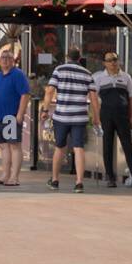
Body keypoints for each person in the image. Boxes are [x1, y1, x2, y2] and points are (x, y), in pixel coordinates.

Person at [40, 47, 99, 192]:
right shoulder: (87, 73)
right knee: (78, 148)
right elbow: (94, 98)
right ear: (80, 58)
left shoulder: (59, 70)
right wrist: (96, 117)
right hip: (80, 116)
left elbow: (49, 91)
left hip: (62, 115)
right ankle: (79, 182)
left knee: (60, 148)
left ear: (67, 56)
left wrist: (45, 110)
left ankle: (55, 180)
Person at [92, 53, 132, 188]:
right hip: (106, 115)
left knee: (128, 146)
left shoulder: (126, 77)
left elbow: (131, 98)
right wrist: (96, 117)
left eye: (115, 60)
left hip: (122, 115)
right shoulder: (98, 78)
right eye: (109, 61)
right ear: (104, 63)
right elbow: (94, 99)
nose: (113, 63)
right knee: (107, 146)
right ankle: (110, 178)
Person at [0, 48, 30, 188]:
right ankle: (5, 175)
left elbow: (25, 94)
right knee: (3, 147)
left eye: (8, 57)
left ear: (13, 60)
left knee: (14, 146)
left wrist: (20, 114)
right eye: (2, 57)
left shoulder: (17, 75)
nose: (4, 60)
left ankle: (14, 177)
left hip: (10, 117)